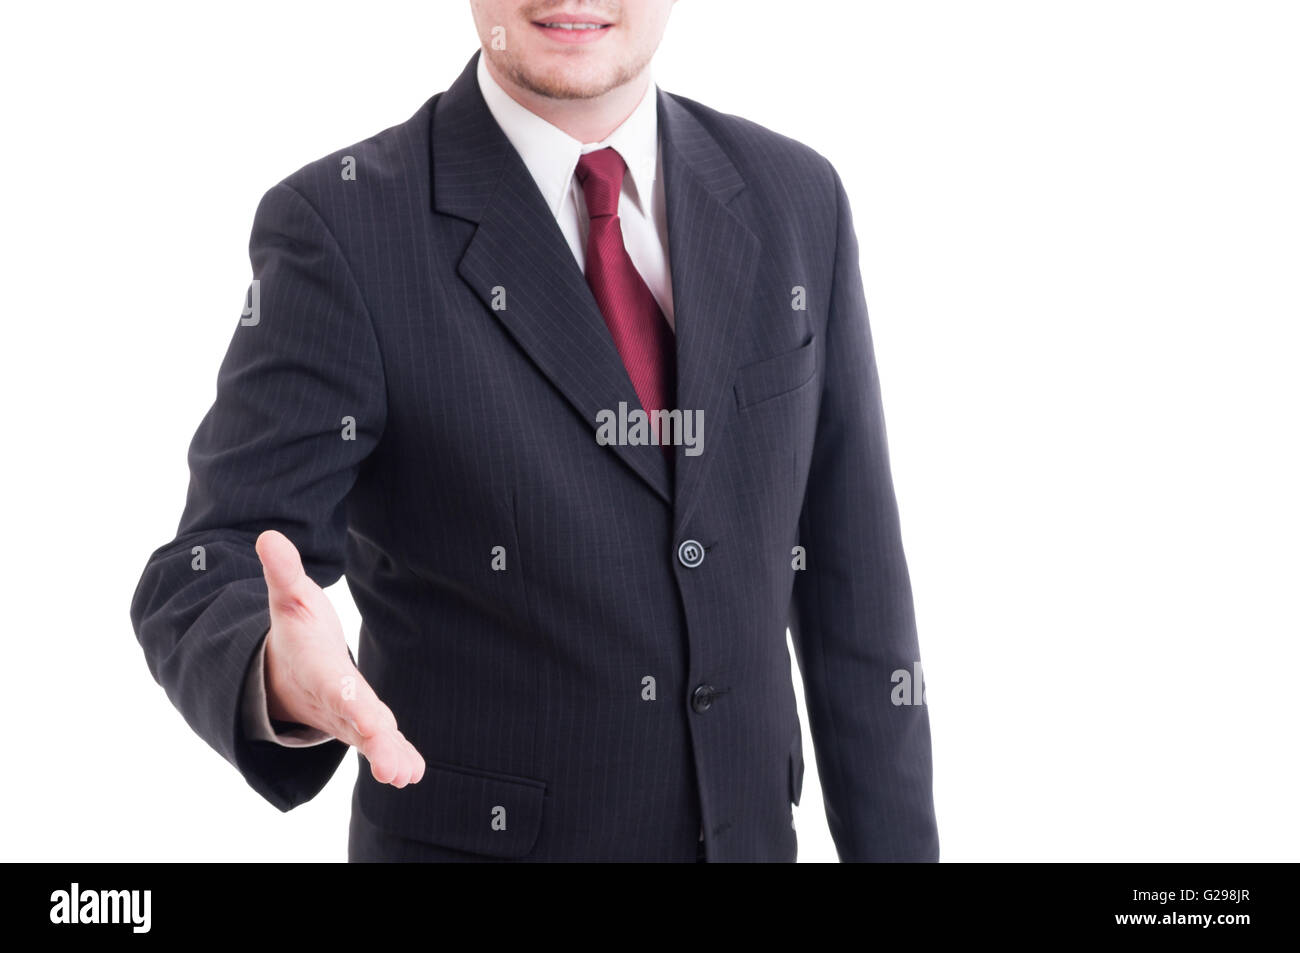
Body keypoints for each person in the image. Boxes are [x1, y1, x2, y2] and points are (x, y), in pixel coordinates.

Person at [130, 0, 939, 862]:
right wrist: (280, 675)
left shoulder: (796, 197)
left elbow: (858, 602)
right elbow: (202, 569)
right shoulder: (344, 228)